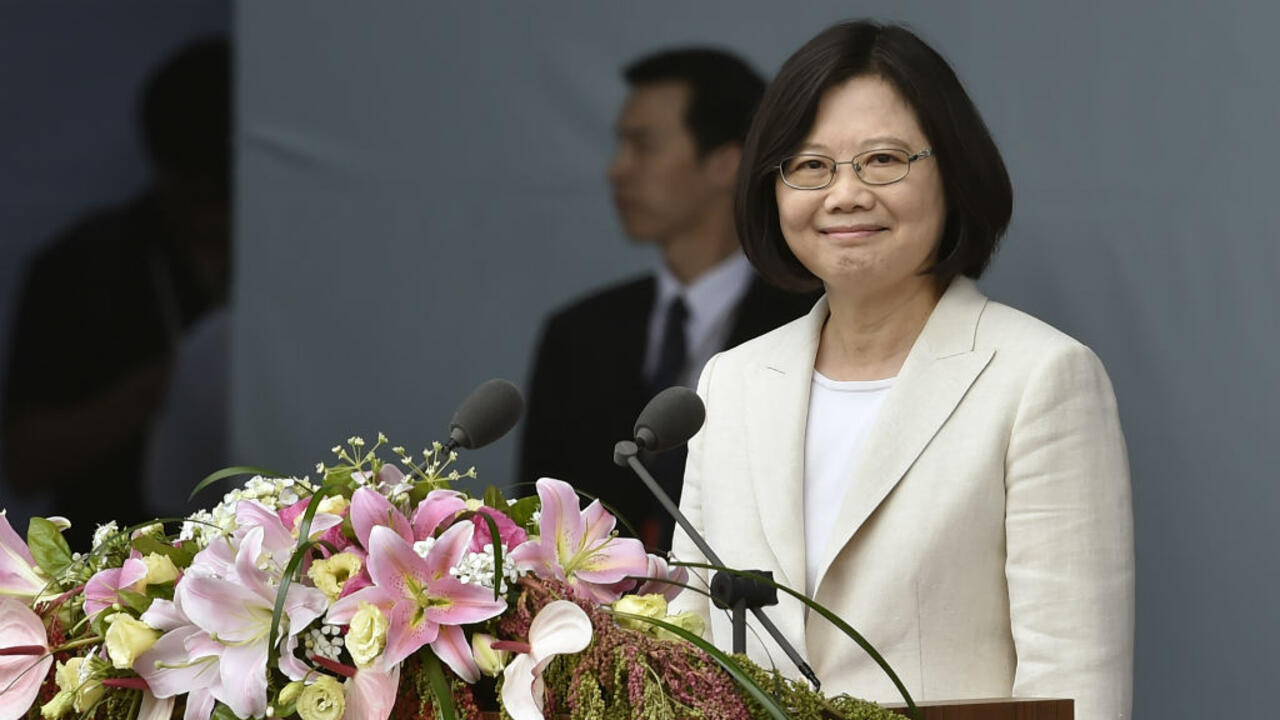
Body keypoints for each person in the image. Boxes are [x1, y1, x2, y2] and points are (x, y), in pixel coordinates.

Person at [669, 21, 1134, 720]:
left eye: (883, 160)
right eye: (810, 165)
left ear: (953, 172)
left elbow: (1076, 683)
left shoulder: (1041, 377)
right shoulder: (730, 384)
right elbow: (687, 643)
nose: (845, 194)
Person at [519, 48, 816, 552]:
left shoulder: (813, 319)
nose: (618, 169)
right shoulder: (577, 334)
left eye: (644, 145)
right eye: (621, 145)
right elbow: (536, 520)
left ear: (726, 162)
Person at [1, 38, 231, 549]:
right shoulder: (84, 266)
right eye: (197, 197)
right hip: (108, 562)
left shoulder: (297, 263)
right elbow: (23, 460)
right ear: (163, 169)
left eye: (225, 194)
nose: (213, 218)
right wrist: (176, 383)